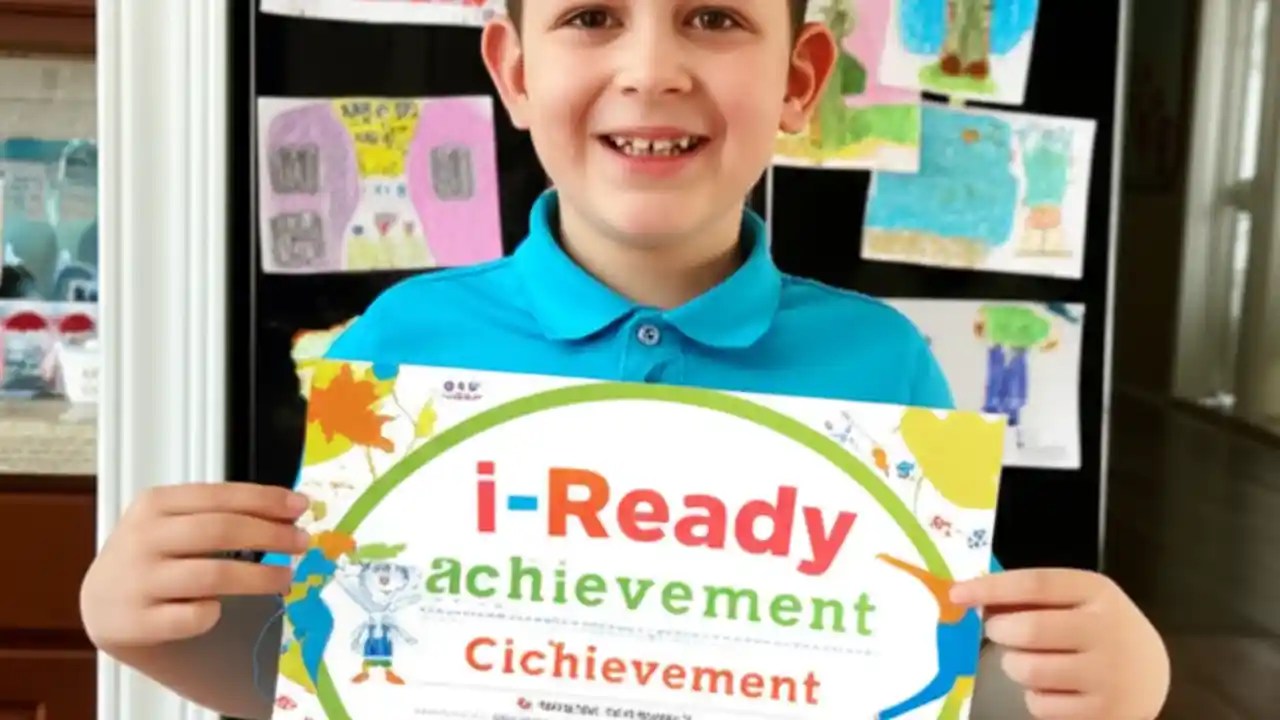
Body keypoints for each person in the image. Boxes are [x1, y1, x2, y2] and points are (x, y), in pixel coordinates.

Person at [79, 2, 1171, 718]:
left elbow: (912, 674)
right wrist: (147, 631)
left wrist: (1088, 688)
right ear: (511, 71)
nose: (650, 70)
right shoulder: (395, 349)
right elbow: (329, 667)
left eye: (710, 18)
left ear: (799, 81)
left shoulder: (884, 366)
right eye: (591, 17)